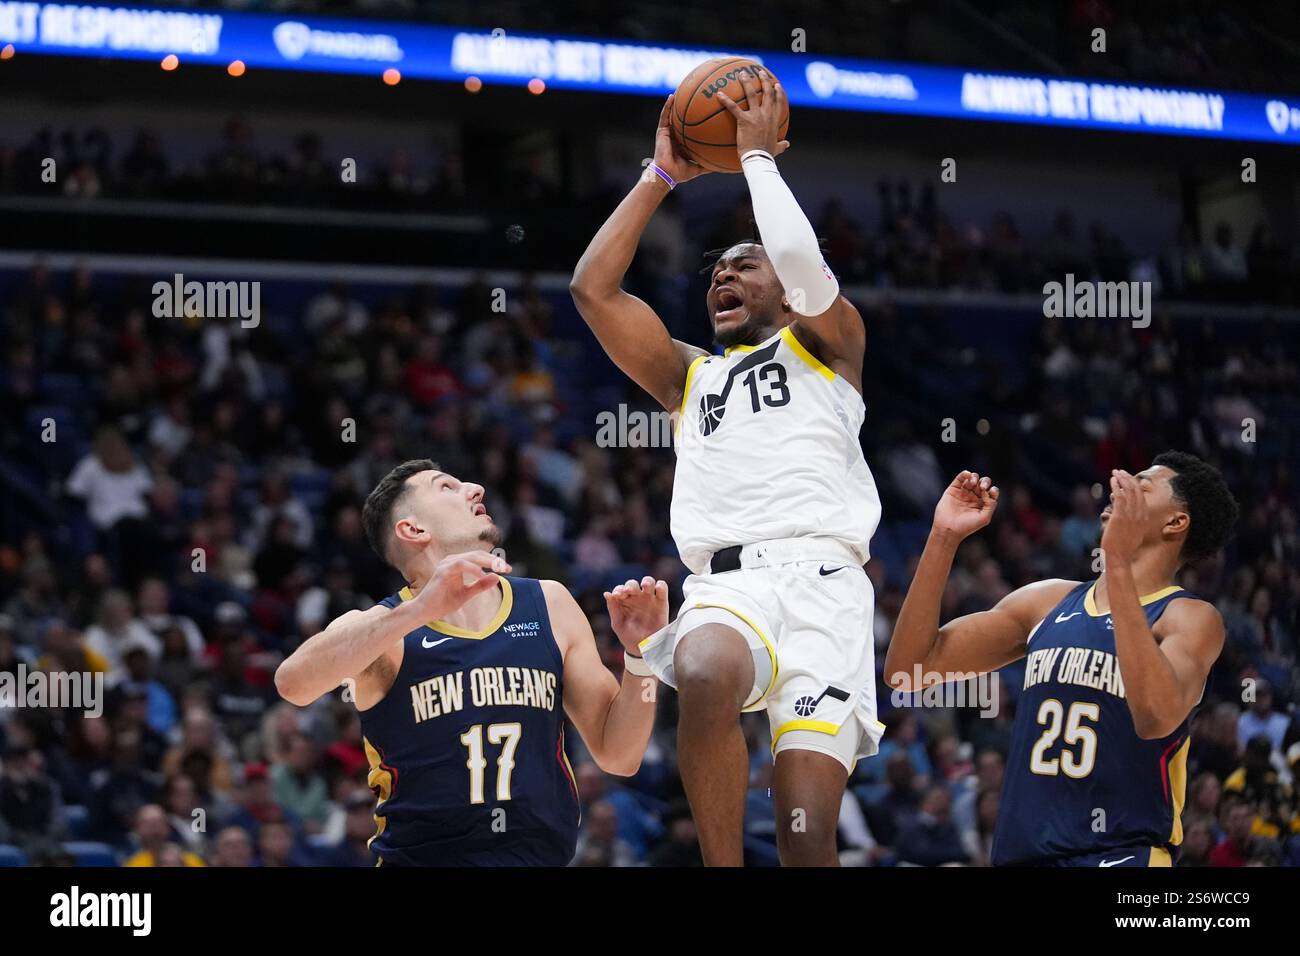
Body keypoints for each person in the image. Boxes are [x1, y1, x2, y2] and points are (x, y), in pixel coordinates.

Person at [571, 68, 882, 866]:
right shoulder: (691, 375)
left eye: (745, 266)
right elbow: (593, 289)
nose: (724, 277)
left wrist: (756, 161)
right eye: (715, 271)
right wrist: (661, 175)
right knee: (704, 671)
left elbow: (804, 265)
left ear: (785, 293)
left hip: (824, 587)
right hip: (729, 584)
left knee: (805, 833)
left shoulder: (829, 344)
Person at [275, 460, 664, 865]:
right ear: (413, 529)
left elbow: (620, 754)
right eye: (446, 487)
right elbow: (293, 683)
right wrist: (419, 609)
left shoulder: (549, 603)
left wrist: (642, 655)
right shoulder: (384, 631)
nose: (475, 488)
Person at [886, 453, 1239, 866]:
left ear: (1175, 523)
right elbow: (908, 671)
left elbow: (1156, 715)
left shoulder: (1189, 617)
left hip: (1122, 854)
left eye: (1140, 488)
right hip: (1022, 855)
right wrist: (943, 537)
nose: (1117, 489)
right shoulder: (1047, 600)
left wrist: (1120, 565)